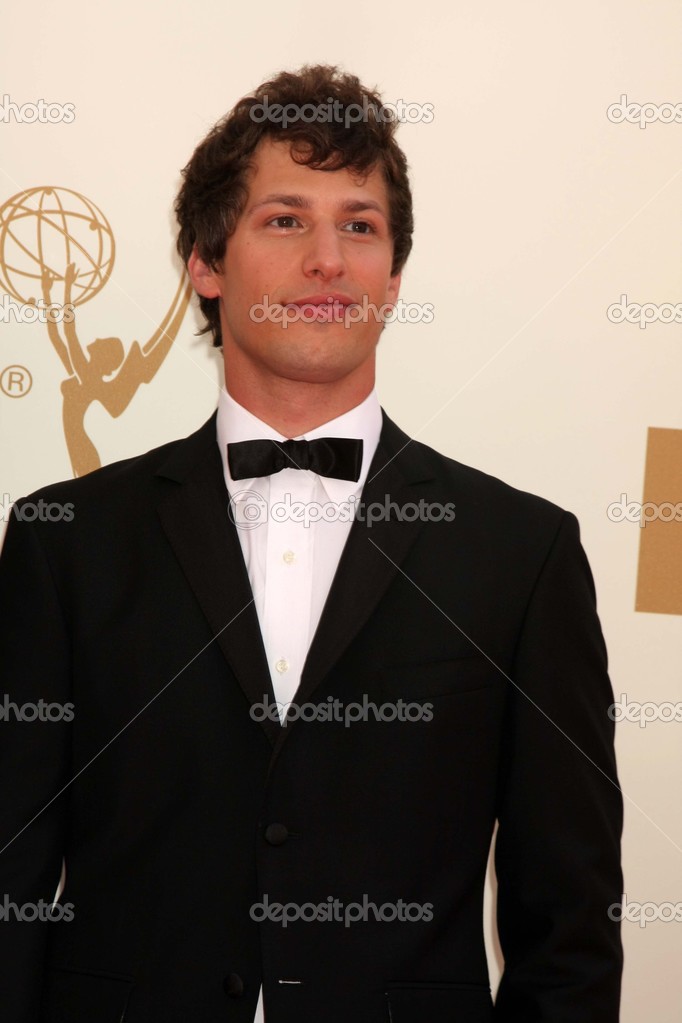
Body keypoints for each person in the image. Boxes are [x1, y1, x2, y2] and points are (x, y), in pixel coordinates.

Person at [0, 64, 623, 1022]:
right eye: (286, 219)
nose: (328, 260)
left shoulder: (522, 554)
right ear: (206, 264)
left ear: (394, 275)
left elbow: (570, 929)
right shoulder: (64, 544)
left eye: (360, 225)